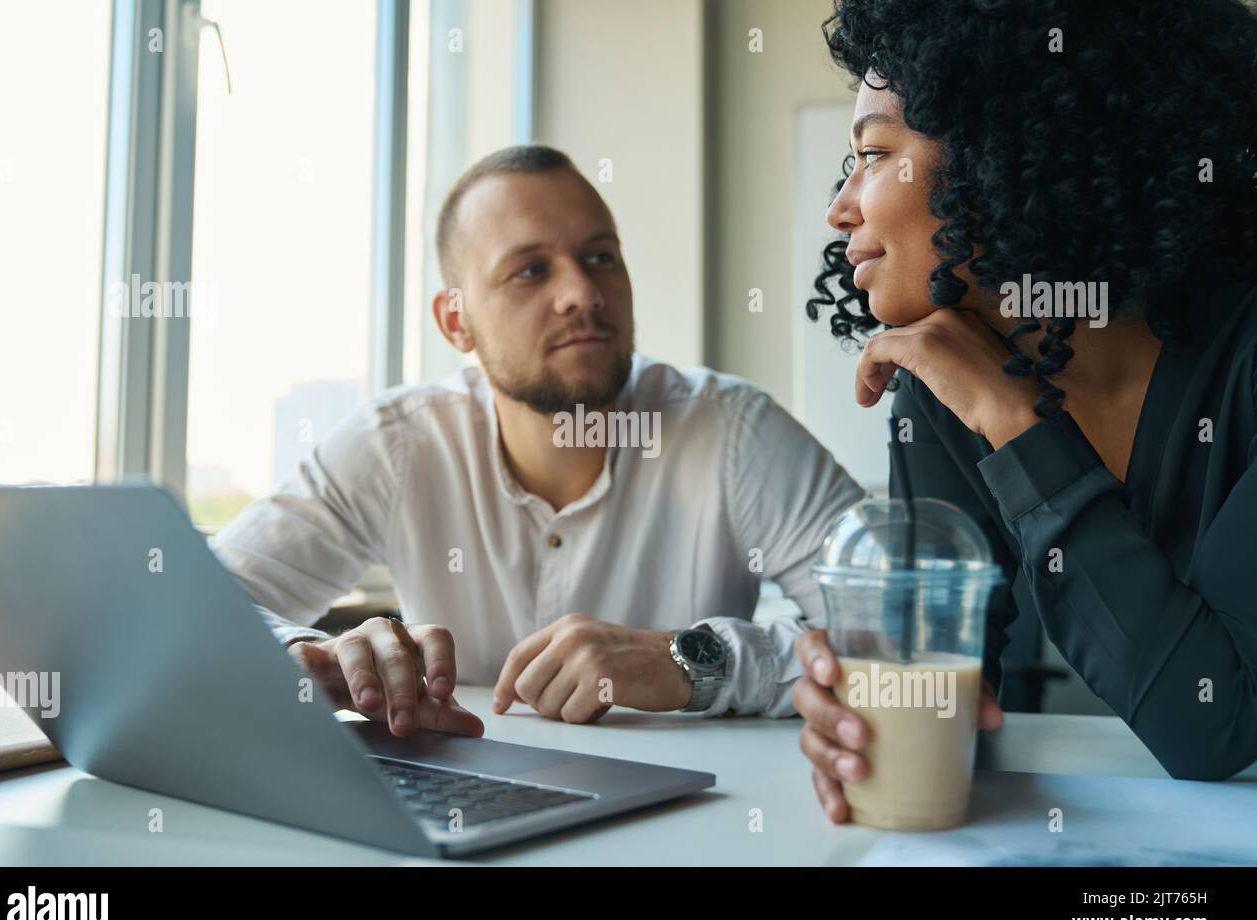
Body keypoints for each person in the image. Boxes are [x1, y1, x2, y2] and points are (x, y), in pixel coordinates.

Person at [210, 145, 864, 737]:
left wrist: (691, 661)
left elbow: (901, 632)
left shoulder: (733, 431)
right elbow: (199, 606)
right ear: (455, 321)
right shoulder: (396, 444)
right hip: (468, 808)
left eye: (600, 257)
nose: (582, 294)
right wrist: (304, 655)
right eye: (530, 271)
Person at [794, 0, 1257, 822]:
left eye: (871, 154)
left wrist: (1017, 427)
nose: (841, 207)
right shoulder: (944, 384)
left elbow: (1212, 721)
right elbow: (946, 693)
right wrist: (852, 729)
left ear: (1002, 153)